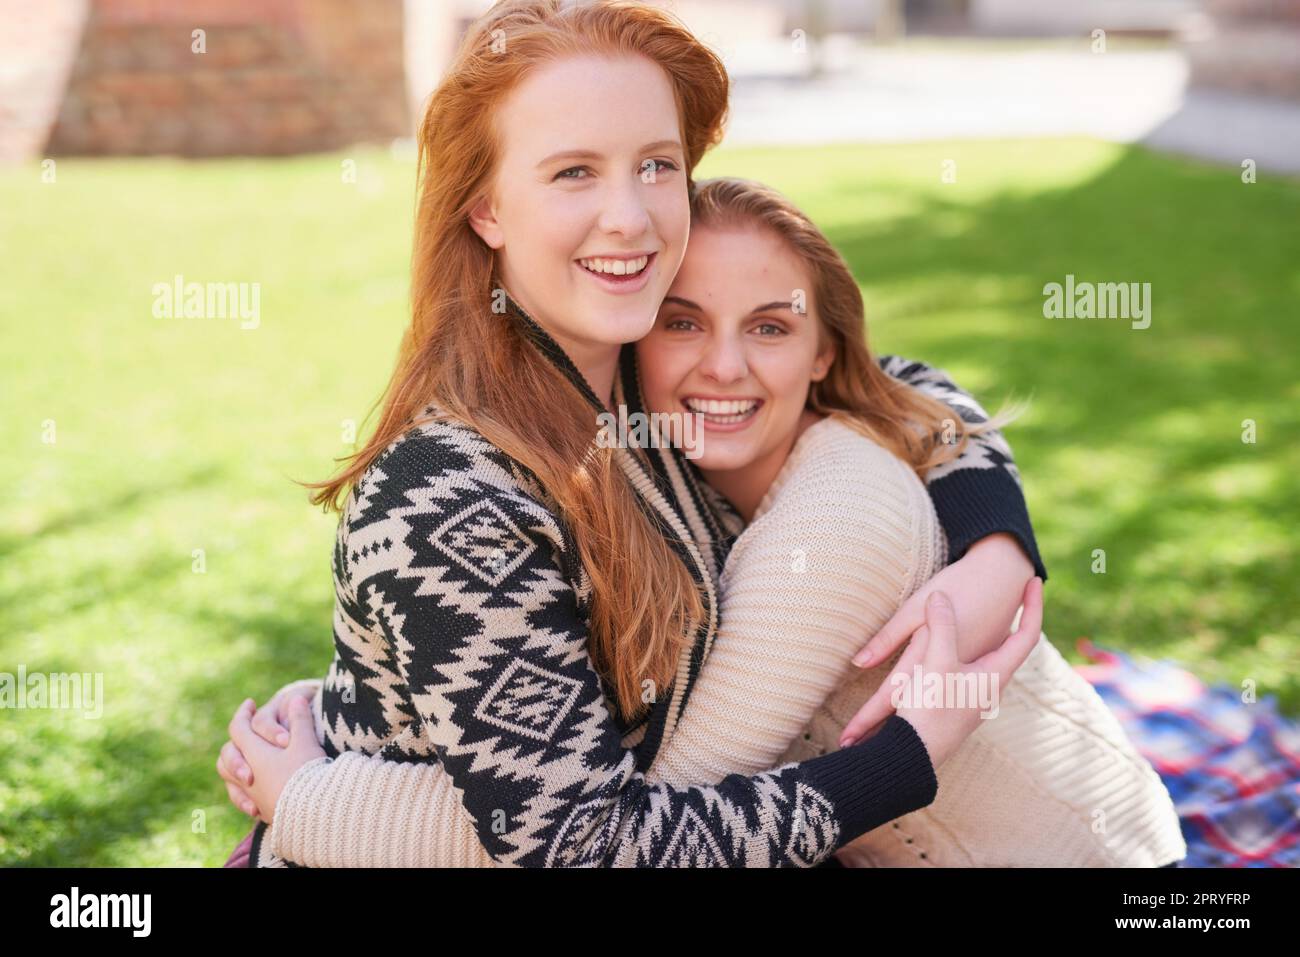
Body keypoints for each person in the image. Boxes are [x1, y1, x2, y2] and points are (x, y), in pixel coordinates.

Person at [216, 0, 1046, 867]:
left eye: (657, 165)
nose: (632, 217)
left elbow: (894, 384)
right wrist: (901, 758)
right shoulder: (451, 493)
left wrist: (997, 548)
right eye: (574, 172)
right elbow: (583, 849)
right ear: (486, 209)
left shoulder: (636, 383)